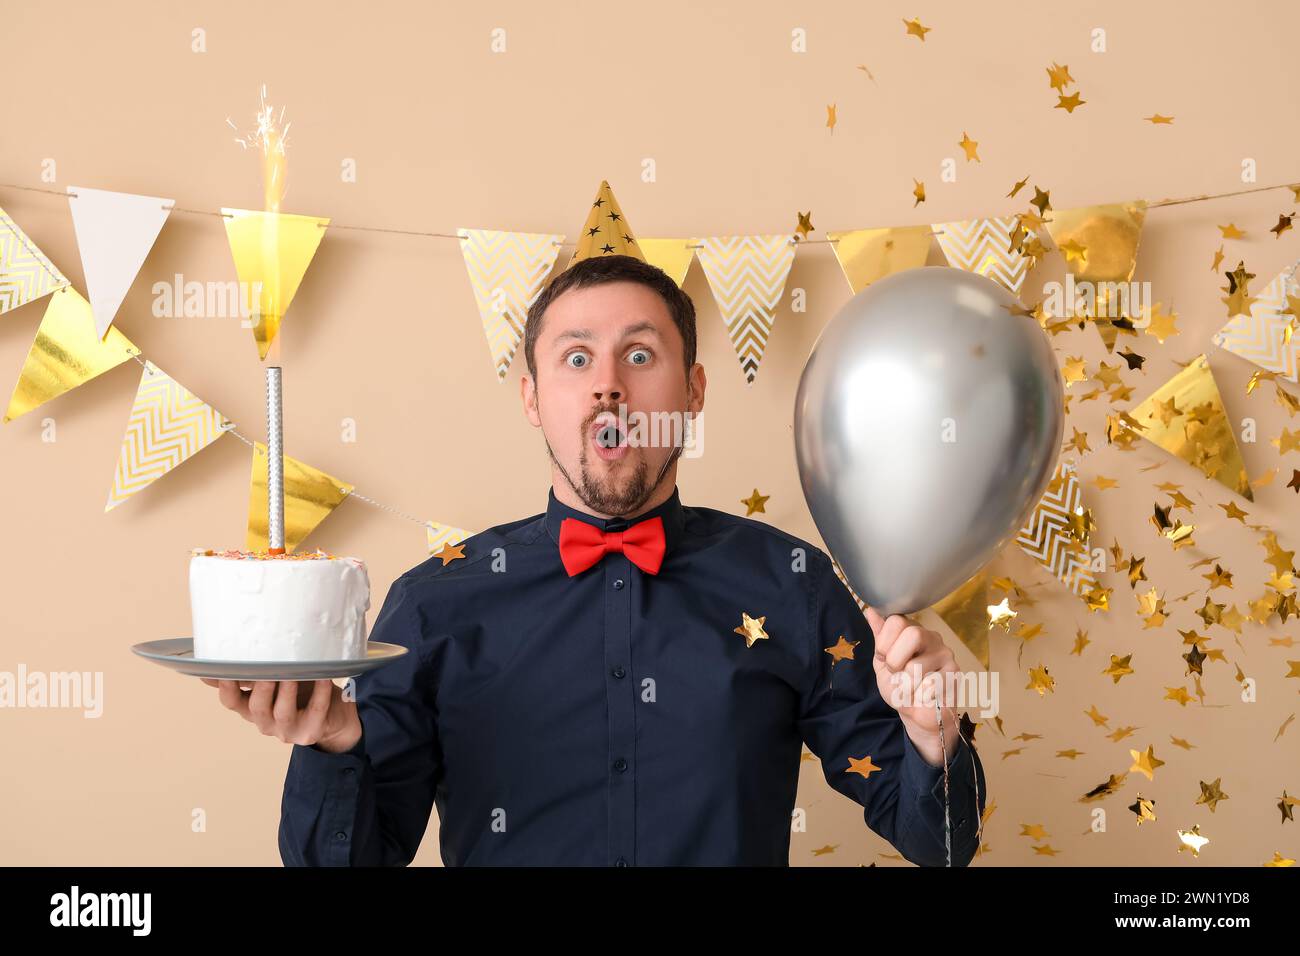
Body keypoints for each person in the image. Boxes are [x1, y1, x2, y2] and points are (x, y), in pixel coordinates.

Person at [204, 253, 987, 866]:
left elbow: (938, 842)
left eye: (640, 356)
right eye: (576, 360)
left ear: (694, 390)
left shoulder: (791, 585)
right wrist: (332, 745)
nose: (609, 387)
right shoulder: (434, 603)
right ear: (533, 398)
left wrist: (933, 737)